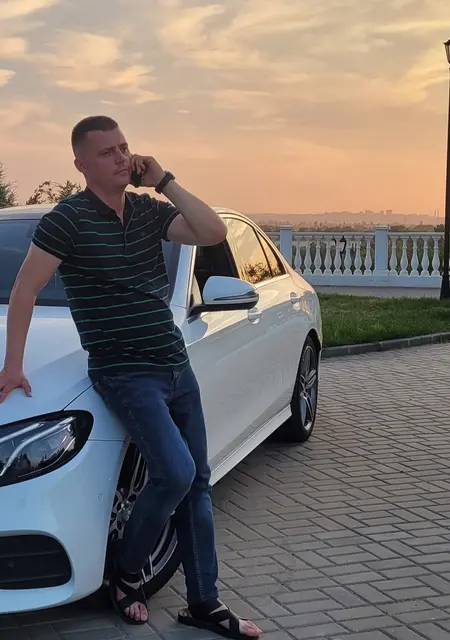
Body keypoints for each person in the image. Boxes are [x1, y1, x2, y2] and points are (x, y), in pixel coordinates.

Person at [0, 116, 262, 638]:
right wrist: (13, 365)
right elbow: (25, 289)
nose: (121, 157)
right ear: (80, 164)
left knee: (197, 482)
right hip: (124, 372)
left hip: (175, 366)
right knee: (176, 473)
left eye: (124, 148)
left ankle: (204, 603)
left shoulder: (148, 209)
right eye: (107, 152)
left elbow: (211, 232)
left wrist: (164, 181)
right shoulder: (67, 220)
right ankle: (125, 569)